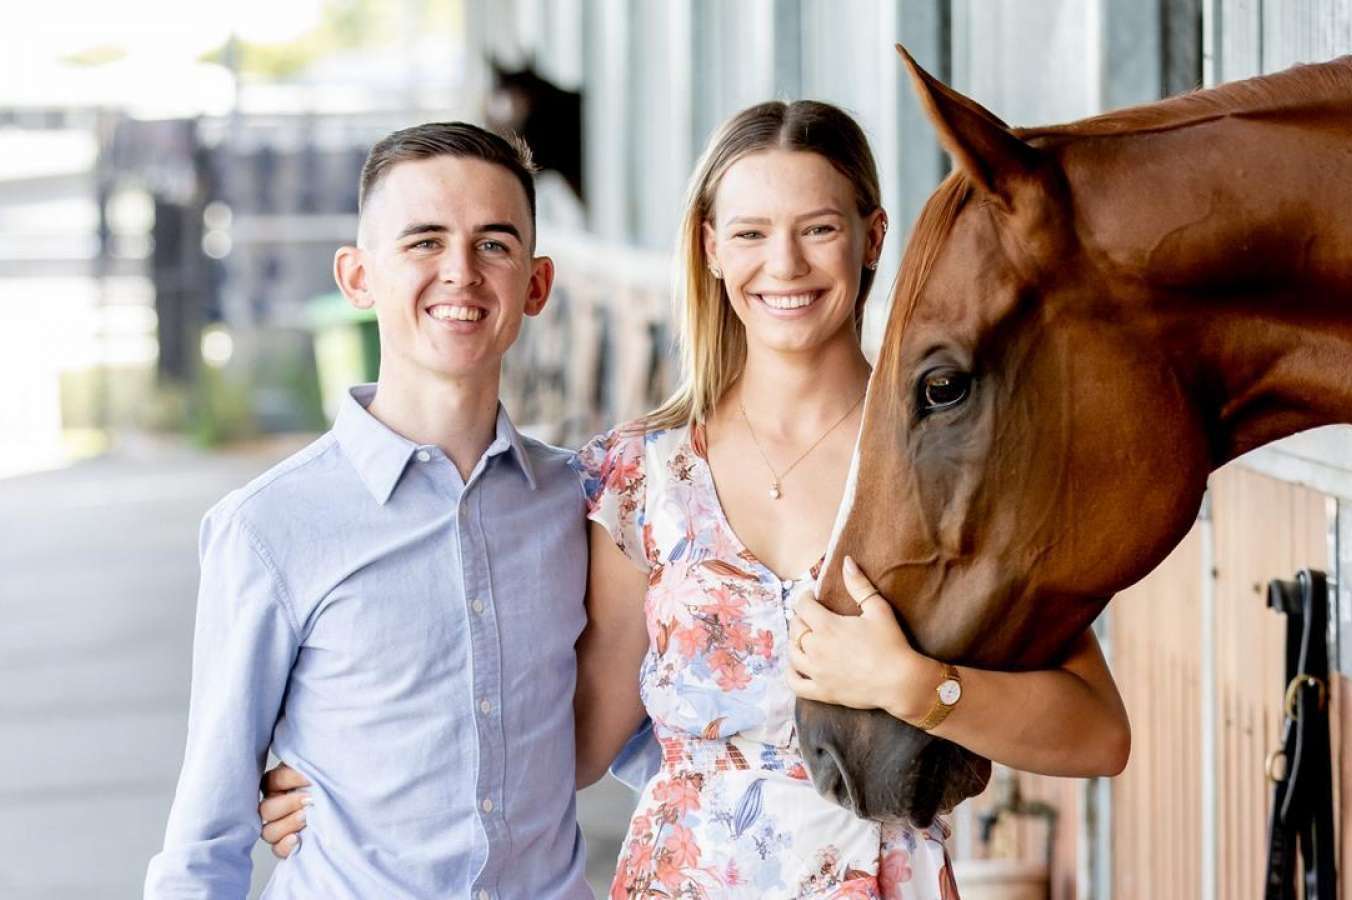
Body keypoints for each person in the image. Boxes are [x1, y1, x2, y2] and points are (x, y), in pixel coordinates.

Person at [259, 101, 1131, 898]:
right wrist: (344, 775)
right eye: (750, 232)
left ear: (872, 238)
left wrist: (917, 686)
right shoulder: (643, 479)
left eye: (817, 228)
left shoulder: (948, 466)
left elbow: (1098, 733)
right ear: (712, 248)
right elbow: (566, 745)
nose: (783, 264)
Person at [145, 122, 593, 899]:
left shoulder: (583, 505)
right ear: (357, 278)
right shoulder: (270, 528)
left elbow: (672, 719)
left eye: (494, 244)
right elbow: (205, 835)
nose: (461, 272)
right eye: (423, 242)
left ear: (536, 283)